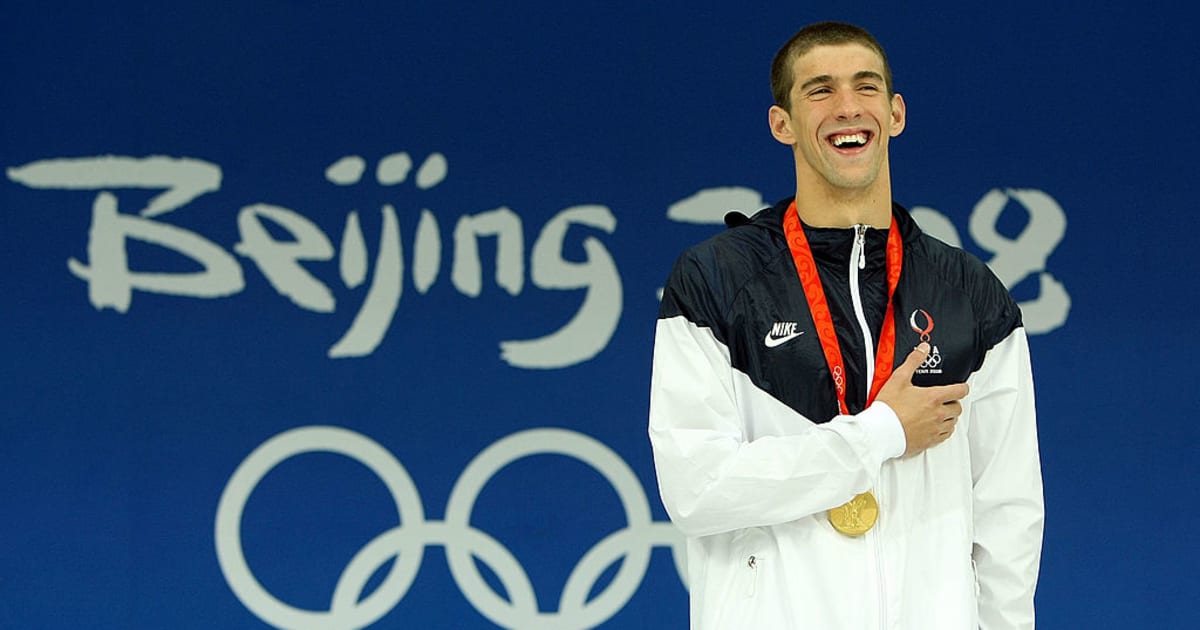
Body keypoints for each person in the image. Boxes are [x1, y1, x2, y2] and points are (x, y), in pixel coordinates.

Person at [648, 21, 1044, 629]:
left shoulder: (970, 293)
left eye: (865, 87)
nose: (847, 107)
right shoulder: (717, 280)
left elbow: (1007, 516)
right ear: (782, 124)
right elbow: (698, 489)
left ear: (896, 113)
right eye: (819, 90)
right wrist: (881, 433)